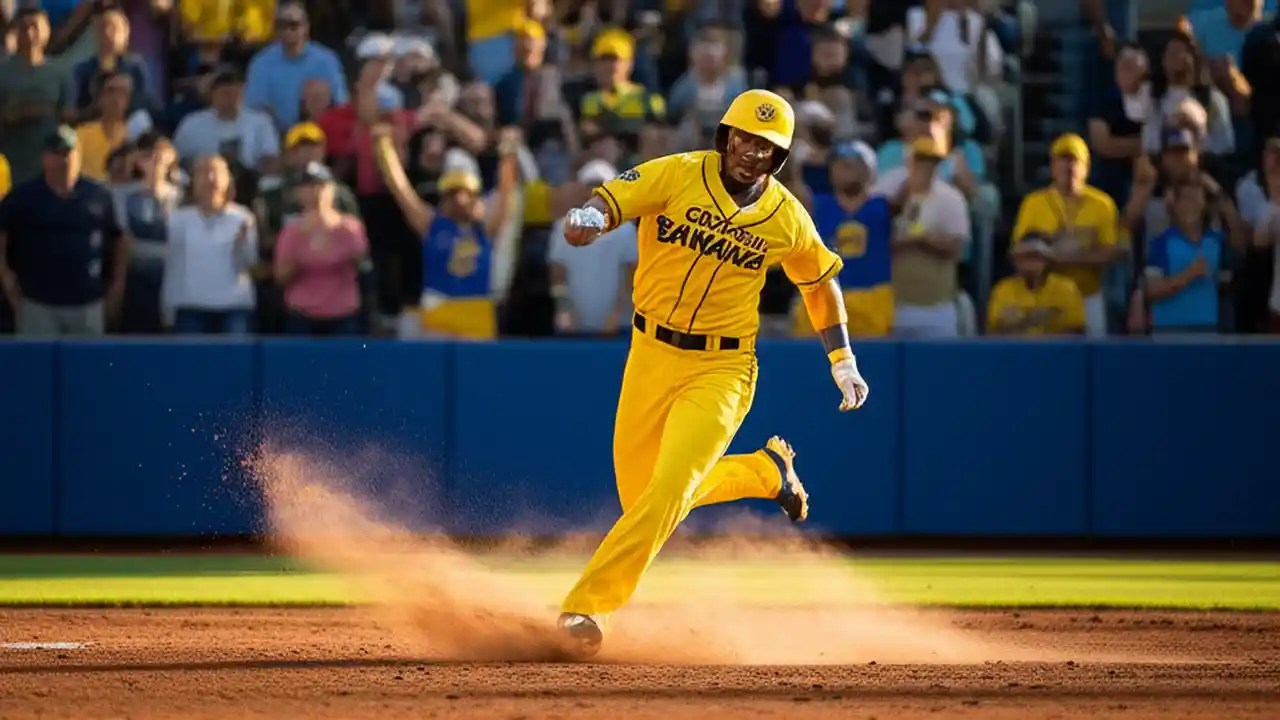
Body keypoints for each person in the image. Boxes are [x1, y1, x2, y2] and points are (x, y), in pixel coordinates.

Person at [554, 89, 870, 657]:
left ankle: (589, 606)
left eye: (766, 147)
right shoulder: (678, 173)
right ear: (726, 136)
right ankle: (763, 472)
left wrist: (842, 358)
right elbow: (614, 200)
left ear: (779, 158)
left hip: (722, 366)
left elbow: (819, 281)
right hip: (650, 352)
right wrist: (591, 219)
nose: (752, 152)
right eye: (745, 138)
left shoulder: (785, 216)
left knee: (670, 490)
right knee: (644, 499)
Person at [371, 123, 520, 339]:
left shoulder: (485, 229)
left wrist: (509, 153)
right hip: (438, 313)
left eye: (465, 192)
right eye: (452, 193)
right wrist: (384, 148)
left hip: (476, 314)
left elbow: (506, 193)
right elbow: (401, 190)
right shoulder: (432, 224)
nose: (459, 199)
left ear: (475, 196)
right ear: (443, 198)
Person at [0, 126, 127, 336]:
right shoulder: (23, 197)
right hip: (38, 303)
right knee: (38, 356)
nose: (64, 159)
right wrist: (6, 277)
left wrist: (117, 286)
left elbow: (119, 239)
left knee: (88, 357)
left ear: (79, 155)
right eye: (56, 153)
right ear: (45, 157)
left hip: (88, 302)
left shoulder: (98, 195)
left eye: (69, 152)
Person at [1011, 134, 1122, 337]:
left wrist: (1063, 258)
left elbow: (1109, 252)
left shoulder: (1103, 204)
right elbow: (1019, 249)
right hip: (1046, 299)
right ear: (1052, 165)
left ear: (1087, 167)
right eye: (1062, 160)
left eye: (1075, 161)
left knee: (1093, 352)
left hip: (1088, 295)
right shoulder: (1033, 203)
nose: (1069, 167)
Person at [791, 140, 895, 338]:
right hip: (824, 296)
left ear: (868, 170)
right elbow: (790, 189)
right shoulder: (818, 205)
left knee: (872, 354)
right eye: (839, 164)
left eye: (852, 163)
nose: (845, 169)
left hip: (872, 298)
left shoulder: (884, 206)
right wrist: (794, 160)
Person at [162, 155, 258, 334]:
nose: (210, 179)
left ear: (227, 180)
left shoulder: (242, 218)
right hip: (191, 306)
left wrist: (243, 245)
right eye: (203, 172)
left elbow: (249, 265)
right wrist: (167, 307)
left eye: (216, 172)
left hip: (233, 306)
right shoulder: (178, 220)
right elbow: (173, 266)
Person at [274, 162, 368, 336]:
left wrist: (335, 243)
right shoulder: (291, 232)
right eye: (307, 187)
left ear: (332, 190)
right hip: (302, 315)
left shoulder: (349, 227)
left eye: (320, 186)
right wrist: (306, 253)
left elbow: (362, 264)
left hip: (342, 314)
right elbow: (281, 276)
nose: (315, 192)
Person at [547, 160, 638, 337]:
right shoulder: (563, 227)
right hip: (574, 325)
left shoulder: (626, 230)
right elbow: (558, 272)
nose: (595, 191)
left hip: (615, 327)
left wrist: (618, 312)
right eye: (590, 185)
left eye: (601, 185)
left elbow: (631, 273)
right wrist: (564, 310)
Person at [986, 233, 1086, 335]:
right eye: (1022, 258)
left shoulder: (1066, 288)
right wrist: (1028, 321)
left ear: (1047, 260)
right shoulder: (1003, 289)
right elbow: (993, 334)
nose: (1028, 264)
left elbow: (1077, 332)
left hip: (1055, 345)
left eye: (1034, 257)